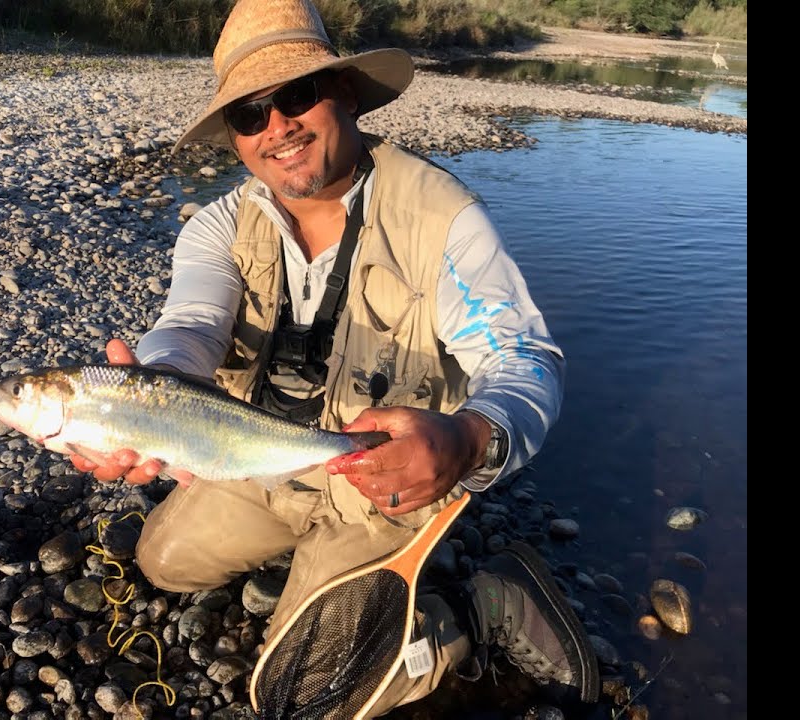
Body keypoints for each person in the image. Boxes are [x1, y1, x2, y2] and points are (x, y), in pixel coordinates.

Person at [60, 0, 598, 712]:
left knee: (307, 697)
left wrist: (469, 438)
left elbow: (525, 358)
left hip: (383, 485)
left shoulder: (444, 220)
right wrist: (148, 391)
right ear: (235, 137)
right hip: (260, 458)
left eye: (295, 96)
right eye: (249, 115)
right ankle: (323, 568)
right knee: (164, 563)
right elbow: (190, 323)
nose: (276, 127)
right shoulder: (218, 227)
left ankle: (475, 614)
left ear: (343, 93)